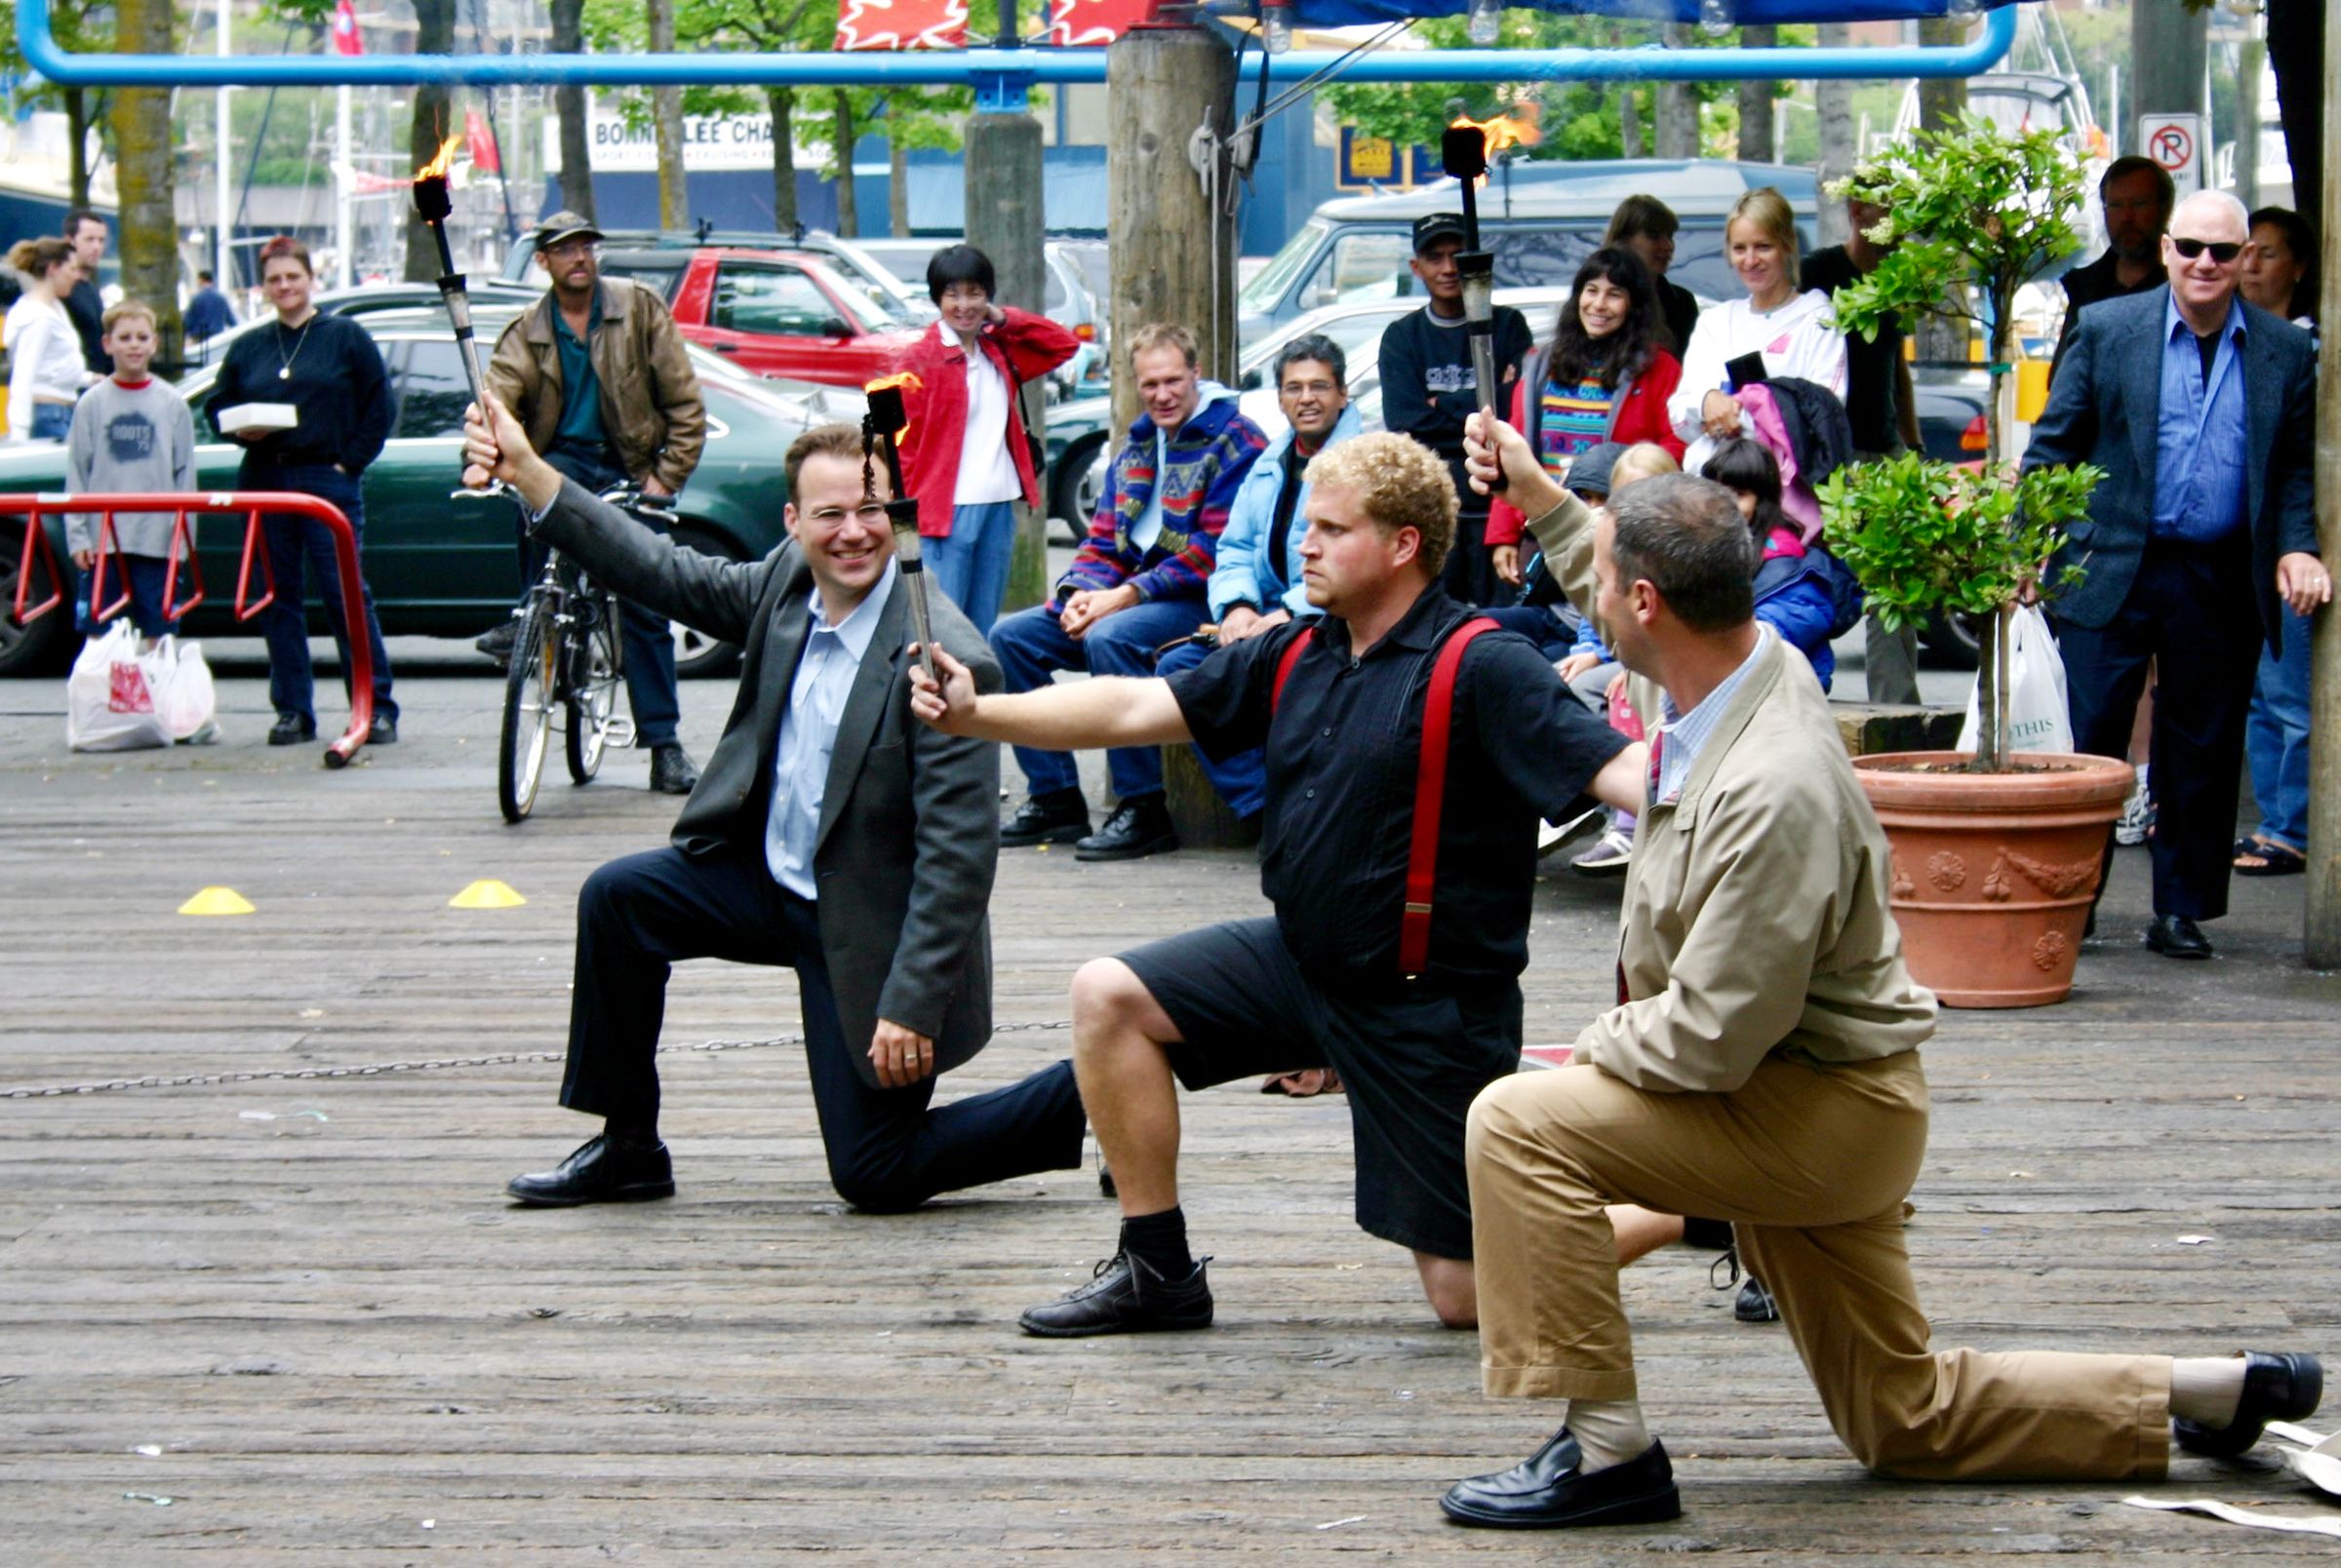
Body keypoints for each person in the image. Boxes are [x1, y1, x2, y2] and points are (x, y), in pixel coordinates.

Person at [1438, 414, 2325, 1531]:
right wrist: (1538, 489)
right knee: (1904, 1421)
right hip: (1817, 1092)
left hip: (1811, 1113)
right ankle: (2218, 1390)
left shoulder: (1772, 785)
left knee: (1516, 1122)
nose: (1596, 598)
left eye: (1610, 587)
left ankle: (1610, 1452)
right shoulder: (1722, 666)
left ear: (1649, 604)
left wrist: (1575, 1051)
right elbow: (1605, 564)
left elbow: (1712, 1037)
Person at [910, 431, 1645, 1336]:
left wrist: (1755, 778)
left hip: (1428, 1007)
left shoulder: (1485, 666)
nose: (1305, 546)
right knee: (1110, 998)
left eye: (1333, 530)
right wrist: (981, 713)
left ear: (1404, 544)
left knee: (1463, 1297)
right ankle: (1157, 1270)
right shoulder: (1298, 651)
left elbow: (1624, 776)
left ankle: (1696, 1211)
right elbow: (1136, 706)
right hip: (1301, 966)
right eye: (1307, 527)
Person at [460, 401, 1091, 1212]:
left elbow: (959, 857)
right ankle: (629, 1148)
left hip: (869, 928)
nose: (854, 532)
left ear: (901, 515)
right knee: (619, 900)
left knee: (875, 1173)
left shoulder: (946, 659)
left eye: (872, 511)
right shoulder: (787, 587)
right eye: (831, 514)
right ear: (794, 523)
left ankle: (1094, 1093)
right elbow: (658, 569)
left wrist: (910, 1002)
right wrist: (531, 474)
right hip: (768, 885)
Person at [2024, 190, 2324, 960]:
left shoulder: (2284, 352)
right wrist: (2025, 551)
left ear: (2241, 262)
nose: (2206, 264)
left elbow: (2292, 471)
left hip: (2220, 572)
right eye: (2191, 247)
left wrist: (2297, 546)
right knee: (2089, 743)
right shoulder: (2109, 328)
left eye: (2224, 252)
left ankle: (2180, 911)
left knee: (2204, 745)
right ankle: (2073, 903)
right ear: (2165, 249)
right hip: (2109, 562)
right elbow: (2054, 446)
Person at [987, 323, 1267, 862]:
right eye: (1149, 385)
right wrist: (1081, 593)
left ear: (1196, 375)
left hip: (1199, 601)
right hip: (1130, 597)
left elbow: (1216, 548)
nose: (1161, 395)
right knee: (1012, 638)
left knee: (1112, 638)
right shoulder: (1138, 443)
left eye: (1172, 381)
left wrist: (1125, 596)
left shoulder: (1237, 439)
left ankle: (1143, 807)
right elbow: (1102, 539)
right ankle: (1055, 797)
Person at [486, 212, 706, 795]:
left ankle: (664, 746)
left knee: (644, 597)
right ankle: (530, 615)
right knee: (527, 492)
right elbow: (498, 406)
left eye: (586, 246)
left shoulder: (639, 308)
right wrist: (481, 454)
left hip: (628, 466)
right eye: (565, 250)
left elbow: (685, 403)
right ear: (544, 262)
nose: (579, 257)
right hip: (561, 460)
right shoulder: (525, 330)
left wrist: (665, 476)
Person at [1153, 332, 1365, 824]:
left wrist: (1286, 612)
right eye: (1294, 388)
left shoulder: (1363, 461)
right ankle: (1266, 807)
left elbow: (1352, 561)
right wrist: (1237, 607)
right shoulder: (1272, 460)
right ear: (1280, 398)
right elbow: (1235, 547)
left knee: (1268, 671)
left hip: (1332, 618)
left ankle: (1297, 813)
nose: (1306, 399)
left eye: (1319, 387)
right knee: (1180, 672)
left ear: (1342, 394)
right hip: (1264, 617)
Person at [207, 235, 399, 747]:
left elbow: (379, 407)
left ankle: (375, 704)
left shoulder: (345, 338)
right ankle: (292, 709)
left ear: (311, 280)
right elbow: (217, 406)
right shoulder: (249, 345)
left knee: (346, 593)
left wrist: (347, 463)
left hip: (326, 478)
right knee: (278, 597)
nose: (284, 286)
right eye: (274, 279)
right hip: (267, 477)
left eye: (293, 276)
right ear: (263, 288)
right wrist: (237, 429)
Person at [892, 243, 1078, 631]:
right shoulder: (917, 360)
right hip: (943, 513)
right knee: (942, 628)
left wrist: (1002, 318)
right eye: (952, 294)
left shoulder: (997, 350)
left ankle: (975, 694)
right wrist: (904, 519)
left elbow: (1063, 344)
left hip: (998, 507)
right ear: (936, 298)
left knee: (981, 628)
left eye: (974, 293)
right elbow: (896, 446)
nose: (964, 305)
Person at [1487, 247, 1684, 591]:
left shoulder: (1658, 368)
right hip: (1545, 527)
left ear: (1634, 305)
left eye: (1614, 294)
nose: (1598, 305)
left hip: (1622, 535)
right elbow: (1511, 450)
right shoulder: (1539, 366)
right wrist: (1503, 534)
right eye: (1591, 291)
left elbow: (1675, 446)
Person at [1802, 190, 1926, 704]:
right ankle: (1800, 696)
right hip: (1828, 454)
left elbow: (1896, 365)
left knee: (1895, 582)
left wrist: (1912, 444)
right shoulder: (1818, 273)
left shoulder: (1900, 277)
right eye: (1889, 211)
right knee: (1812, 577)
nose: (1900, 225)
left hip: (1885, 449)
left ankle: (1895, 708)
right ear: (1858, 214)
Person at [1379, 212, 1534, 607]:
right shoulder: (1402, 338)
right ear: (1417, 267)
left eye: (1458, 255)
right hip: (1435, 513)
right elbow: (1406, 423)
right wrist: (1486, 404)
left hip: (1500, 509)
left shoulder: (1507, 326)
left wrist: (1443, 405)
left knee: (1500, 622)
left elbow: (1517, 411)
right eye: (1435, 257)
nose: (1449, 268)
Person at [2234, 206, 2317, 880]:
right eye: (2246, 252)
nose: (2250, 265)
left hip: (2296, 542)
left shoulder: (2311, 350)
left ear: (2300, 267)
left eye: (2266, 253)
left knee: (2291, 691)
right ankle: (2276, 821)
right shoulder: (2234, 342)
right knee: (2262, 692)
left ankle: (2291, 826)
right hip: (2241, 545)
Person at [1668, 187, 1847, 477]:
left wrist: (1733, 416)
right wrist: (1707, 402)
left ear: (1787, 245)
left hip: (1784, 492)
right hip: (1712, 490)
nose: (1750, 260)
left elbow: (1825, 412)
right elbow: (1678, 411)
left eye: (1763, 246)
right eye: (1740, 248)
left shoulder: (1817, 318)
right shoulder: (1715, 322)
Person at [65, 301, 196, 643]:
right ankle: (102, 695)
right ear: (107, 344)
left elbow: (186, 475)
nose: (134, 345)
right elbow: (77, 470)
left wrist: (183, 540)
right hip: (102, 541)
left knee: (159, 632)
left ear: (154, 343)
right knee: (99, 634)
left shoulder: (173, 404)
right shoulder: (91, 403)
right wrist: (78, 536)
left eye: (142, 337)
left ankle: (155, 692)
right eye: (124, 337)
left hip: (158, 539)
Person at [1703, 436, 1836, 690]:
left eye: (1740, 495)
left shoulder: (1785, 558)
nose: (1727, 505)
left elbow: (1791, 622)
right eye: (1720, 494)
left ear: (1762, 500)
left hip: (1782, 683)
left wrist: (1724, 642)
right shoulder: (1713, 546)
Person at [2051, 157, 2175, 376]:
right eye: (2115, 206)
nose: (2126, 217)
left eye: (2139, 204)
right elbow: (2063, 378)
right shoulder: (2085, 289)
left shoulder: (2183, 287)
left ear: (2164, 209)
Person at [4, 237, 94, 443]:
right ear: (53, 268)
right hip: (49, 416)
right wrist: (19, 434)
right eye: (72, 269)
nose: (76, 276)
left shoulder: (56, 309)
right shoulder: (39, 318)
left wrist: (87, 378)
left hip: (62, 413)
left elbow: (52, 367)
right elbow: (23, 377)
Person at [1604, 195, 1700, 356]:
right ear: (1624, 240)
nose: (1667, 246)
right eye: (1654, 236)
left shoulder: (1682, 303)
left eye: (1669, 236)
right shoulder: (1596, 298)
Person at [61, 209, 111, 376]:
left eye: (101, 240)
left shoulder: (90, 289)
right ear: (70, 241)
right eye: (89, 239)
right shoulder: (63, 291)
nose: (97, 247)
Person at [184, 269, 239, 344]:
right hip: (217, 338)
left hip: (199, 338)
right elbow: (231, 321)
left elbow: (187, 321)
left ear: (200, 280)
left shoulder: (196, 299)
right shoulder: (221, 298)